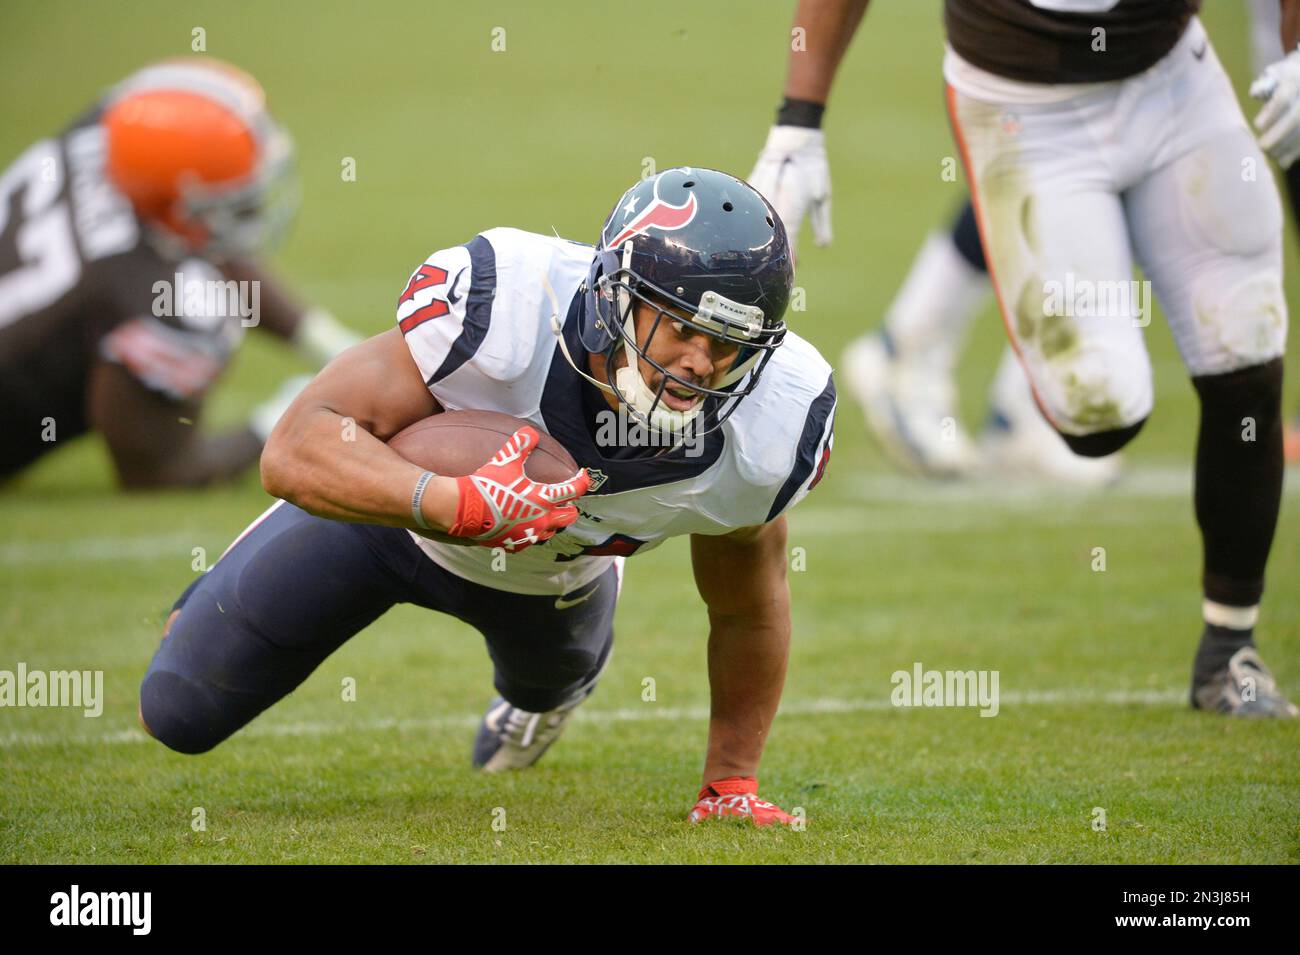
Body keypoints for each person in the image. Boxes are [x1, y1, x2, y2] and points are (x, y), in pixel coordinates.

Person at [139, 167, 837, 825]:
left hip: (556, 571)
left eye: (728, 344)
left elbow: (747, 605)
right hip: (392, 518)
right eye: (683, 325)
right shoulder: (507, 305)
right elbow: (298, 443)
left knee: (545, 686)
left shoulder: (769, 429)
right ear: (614, 294)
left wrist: (731, 782)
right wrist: (451, 501)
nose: (699, 363)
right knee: (177, 710)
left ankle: (568, 652)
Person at [753, 0, 1296, 717]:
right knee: (1100, 415)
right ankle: (996, 385)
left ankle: (1230, 650)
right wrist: (799, 117)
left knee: (1247, 354)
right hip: (1023, 108)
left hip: (1173, 77)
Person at [0, 58, 359, 487]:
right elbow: (157, 472)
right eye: (230, 198)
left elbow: (192, 233)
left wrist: (332, 347)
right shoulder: (163, 298)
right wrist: (282, 419)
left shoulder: (110, 132)